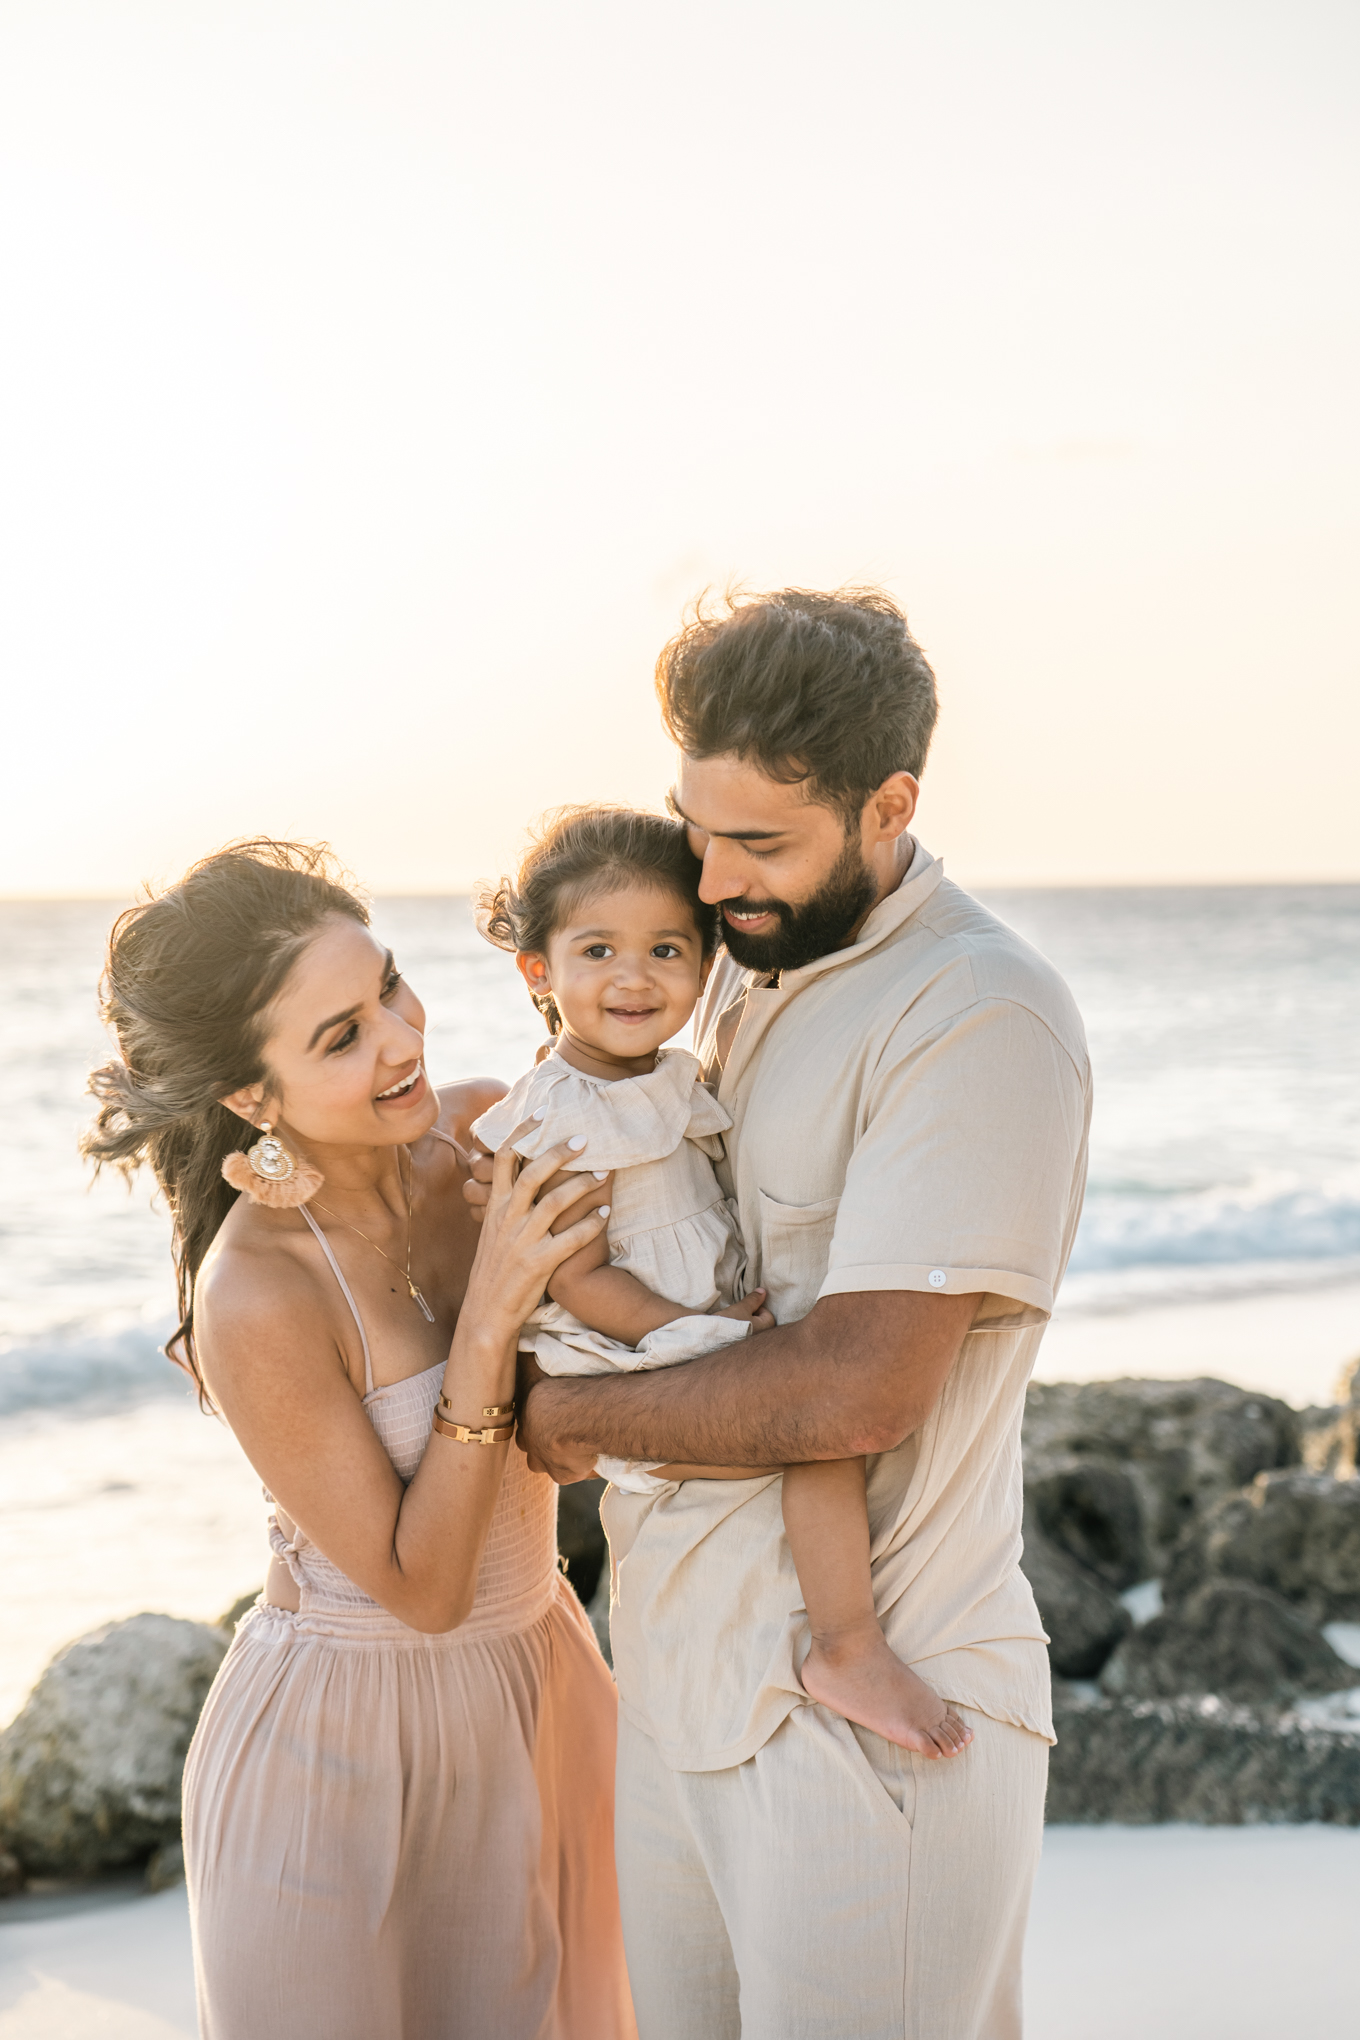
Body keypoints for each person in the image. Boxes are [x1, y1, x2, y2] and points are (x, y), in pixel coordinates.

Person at [472, 589, 1092, 2040]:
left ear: (890, 806)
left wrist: (555, 1412)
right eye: (701, 831)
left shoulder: (974, 1010)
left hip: (871, 1719)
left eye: (762, 845)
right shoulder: (745, 976)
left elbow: (855, 1391)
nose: (714, 879)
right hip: (679, 1686)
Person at [82, 839, 636, 2040]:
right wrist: (493, 1308)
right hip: (337, 1762)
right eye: (339, 1036)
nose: (400, 1039)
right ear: (249, 1098)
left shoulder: (496, 1132)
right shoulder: (259, 1293)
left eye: (386, 984)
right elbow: (422, 1588)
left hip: (543, 1688)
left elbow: (595, 1421)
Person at [471, 802, 971, 1759]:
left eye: (667, 952)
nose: (634, 977)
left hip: (677, 1324)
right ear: (540, 968)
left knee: (809, 1431)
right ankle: (847, 1646)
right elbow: (578, 1278)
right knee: (813, 1439)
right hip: (624, 1346)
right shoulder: (559, 1114)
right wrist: (696, 1330)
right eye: (598, 951)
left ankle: (833, 1636)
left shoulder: (669, 1075)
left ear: (706, 966)